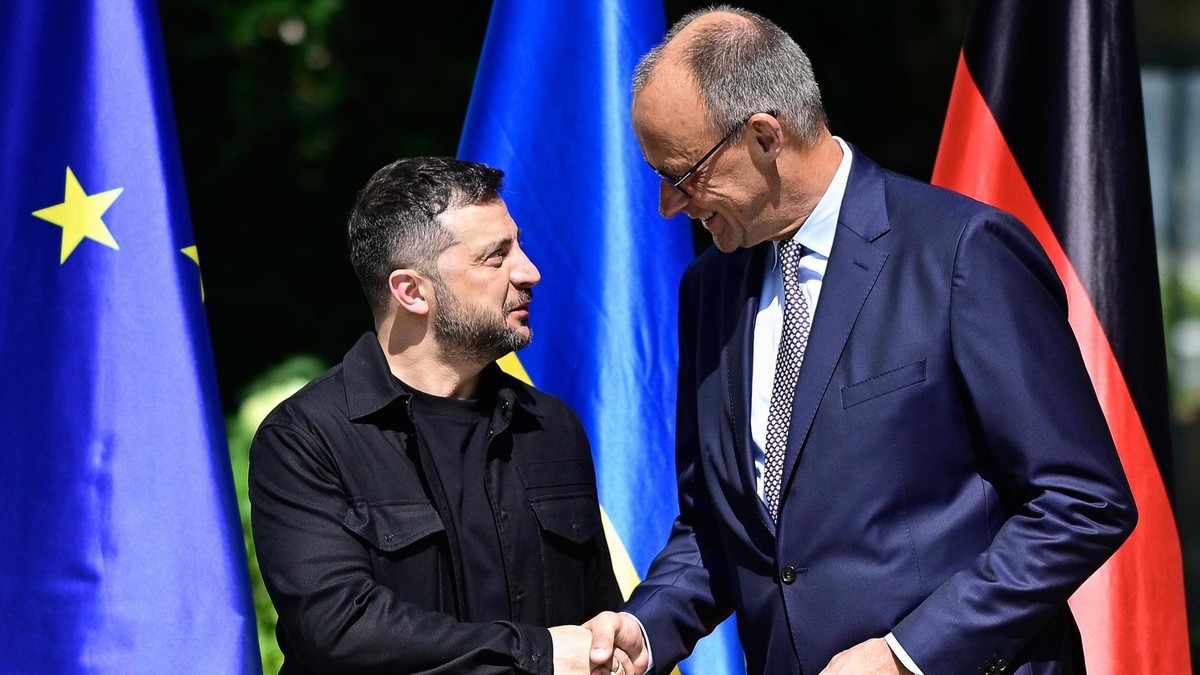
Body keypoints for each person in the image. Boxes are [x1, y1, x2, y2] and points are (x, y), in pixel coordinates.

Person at [585, 7, 1137, 675]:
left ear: (765, 135)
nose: (671, 206)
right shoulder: (709, 287)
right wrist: (646, 630)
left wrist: (910, 655)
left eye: (685, 176)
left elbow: (1081, 500)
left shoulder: (961, 251)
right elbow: (719, 524)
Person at [249, 156, 621, 674]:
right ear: (412, 291)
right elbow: (340, 630)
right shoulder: (306, 439)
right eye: (495, 257)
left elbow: (596, 617)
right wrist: (537, 654)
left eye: (519, 244)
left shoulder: (551, 426)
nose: (529, 271)